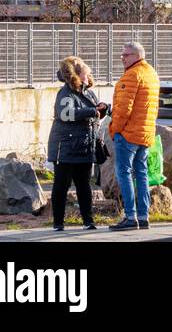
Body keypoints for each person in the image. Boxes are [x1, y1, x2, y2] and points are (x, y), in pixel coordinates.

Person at [47, 56, 108, 232]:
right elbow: (65, 114)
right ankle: (58, 223)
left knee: (84, 185)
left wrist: (101, 110)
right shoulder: (65, 93)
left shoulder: (87, 92)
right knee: (61, 185)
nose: (89, 77)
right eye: (86, 74)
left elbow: (93, 114)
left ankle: (88, 221)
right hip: (65, 148)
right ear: (77, 74)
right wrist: (92, 110)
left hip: (84, 147)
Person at [108, 40, 161, 232]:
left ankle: (130, 217)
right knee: (142, 174)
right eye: (122, 54)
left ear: (138, 56)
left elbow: (123, 109)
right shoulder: (152, 74)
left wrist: (114, 129)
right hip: (145, 134)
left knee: (124, 174)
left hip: (128, 134)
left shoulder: (131, 76)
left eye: (126, 55)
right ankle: (143, 216)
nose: (122, 58)